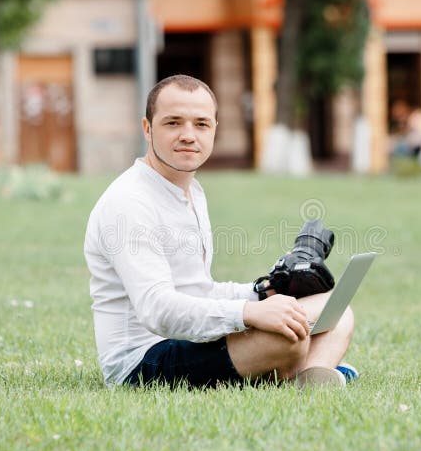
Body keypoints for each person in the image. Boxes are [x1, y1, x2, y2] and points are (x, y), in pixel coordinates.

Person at [83, 74, 356, 389]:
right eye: (173, 123)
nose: (188, 135)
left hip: (190, 338)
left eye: (201, 124)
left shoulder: (191, 192)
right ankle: (297, 363)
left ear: (214, 129)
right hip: (143, 361)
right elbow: (158, 310)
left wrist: (262, 292)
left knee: (335, 307)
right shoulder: (129, 202)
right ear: (148, 128)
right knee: (285, 338)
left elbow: (198, 290)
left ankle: (311, 374)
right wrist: (249, 312)